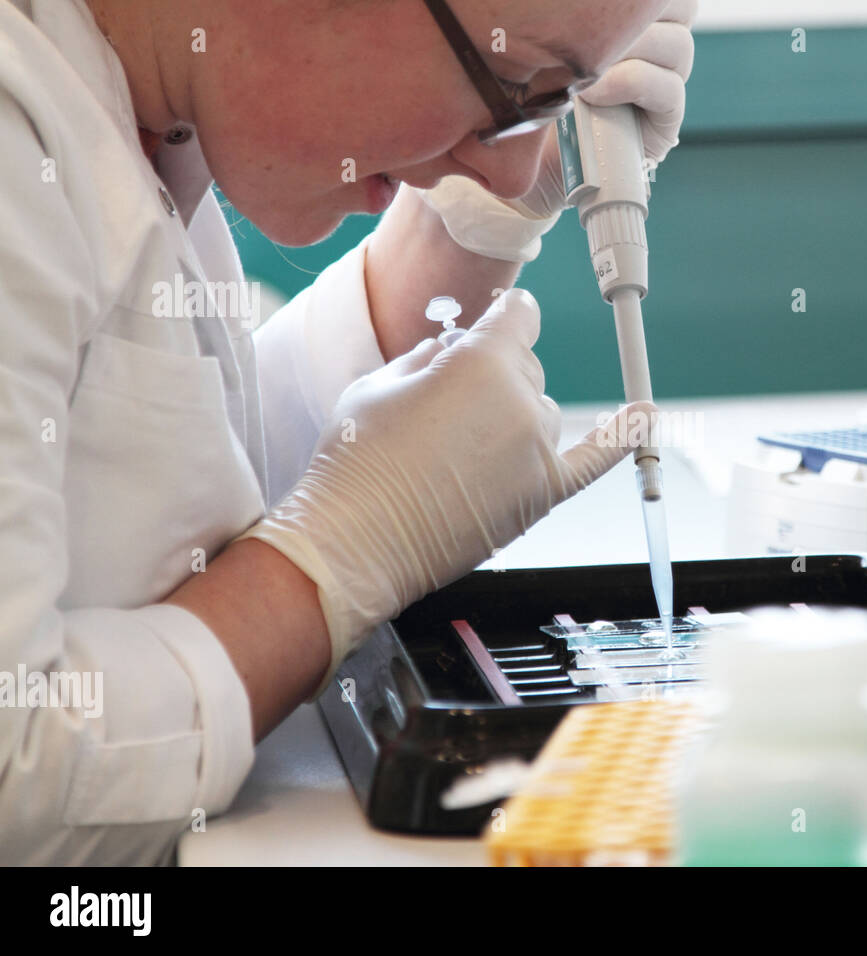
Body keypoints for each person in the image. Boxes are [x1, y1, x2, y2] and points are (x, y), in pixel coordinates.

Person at [0, 0, 695, 864]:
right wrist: (335, 558)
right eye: (514, 85)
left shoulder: (135, 107)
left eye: (555, 100)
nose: (515, 174)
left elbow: (163, 504)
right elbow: (17, 777)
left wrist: (463, 228)